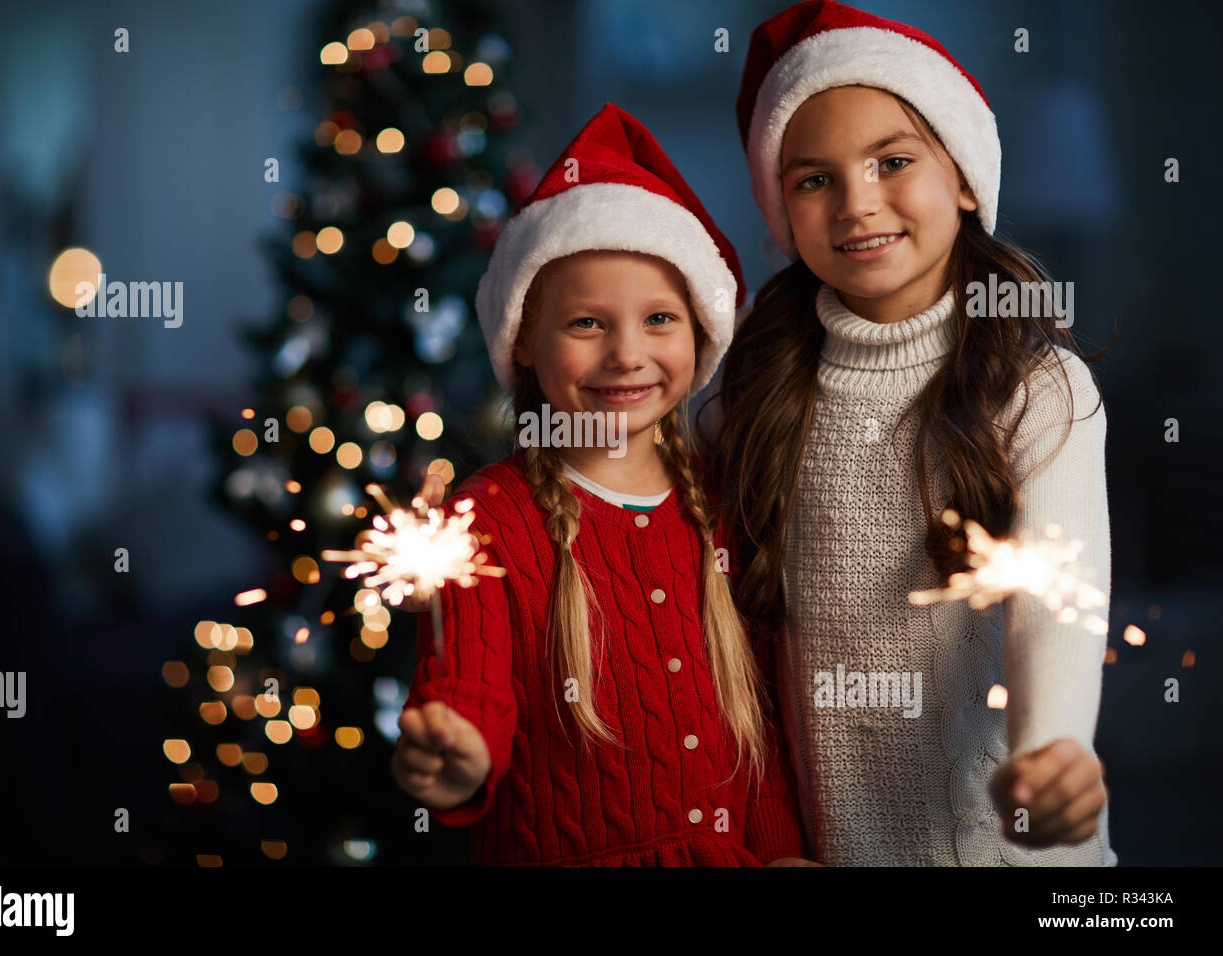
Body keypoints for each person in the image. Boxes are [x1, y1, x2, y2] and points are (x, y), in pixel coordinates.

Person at [708, 0, 1114, 865]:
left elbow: (1054, 605)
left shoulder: (1039, 388)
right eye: (814, 179)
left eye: (893, 161)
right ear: (784, 213)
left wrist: (1053, 753)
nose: (858, 203)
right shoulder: (758, 389)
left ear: (964, 178)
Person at [390, 103, 813, 865]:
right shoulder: (486, 517)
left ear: (701, 334)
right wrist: (455, 753)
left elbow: (763, 725)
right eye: (587, 324)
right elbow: (467, 684)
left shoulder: (724, 504)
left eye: (659, 319)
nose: (628, 354)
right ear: (524, 339)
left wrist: (781, 849)